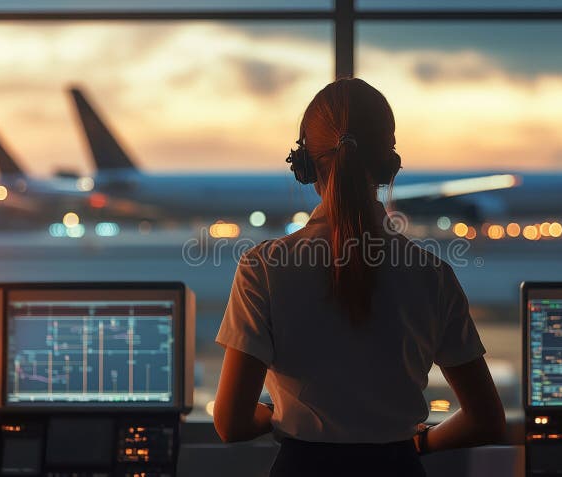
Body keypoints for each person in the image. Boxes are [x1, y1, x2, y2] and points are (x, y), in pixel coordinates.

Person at [213, 77, 505, 477]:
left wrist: (280, 413)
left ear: (303, 166)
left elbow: (230, 424)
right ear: (389, 165)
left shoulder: (262, 267)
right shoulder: (432, 275)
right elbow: (485, 420)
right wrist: (420, 443)